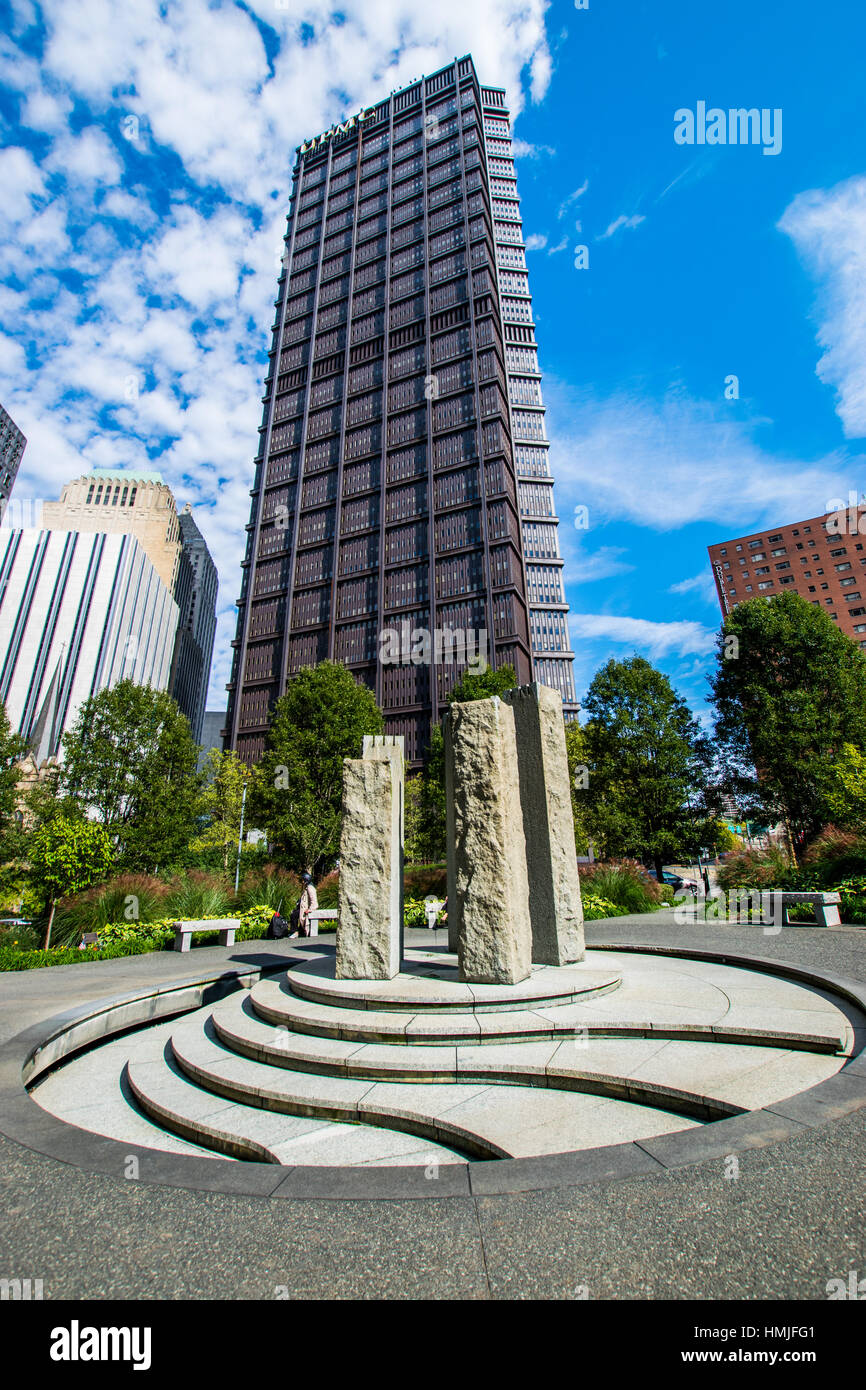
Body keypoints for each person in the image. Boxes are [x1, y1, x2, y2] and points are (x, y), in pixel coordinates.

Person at [292, 872, 318, 938]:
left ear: (306, 880)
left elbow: (314, 901)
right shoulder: (307, 887)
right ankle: (298, 931)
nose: (302, 881)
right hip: (303, 908)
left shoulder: (310, 888)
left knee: (294, 915)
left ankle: (295, 932)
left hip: (306, 909)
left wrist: (310, 909)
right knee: (294, 913)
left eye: (303, 880)